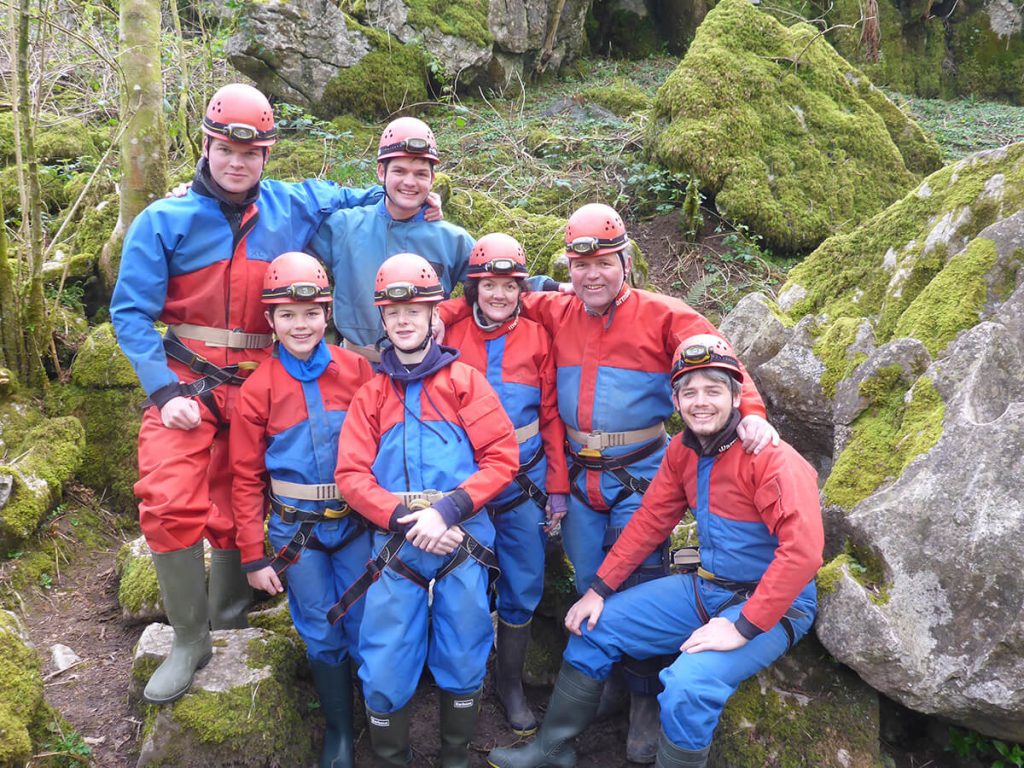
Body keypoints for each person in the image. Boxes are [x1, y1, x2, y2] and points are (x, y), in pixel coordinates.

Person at [438, 203, 779, 761]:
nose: (591, 274)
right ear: (568, 267)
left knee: (641, 584)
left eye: (603, 263)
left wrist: (755, 414)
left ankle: (644, 702)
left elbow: (722, 366)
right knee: (591, 585)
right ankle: (605, 684)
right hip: (576, 478)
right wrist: (438, 314)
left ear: (625, 260)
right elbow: (492, 300)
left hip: (642, 474)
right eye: (580, 264)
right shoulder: (555, 308)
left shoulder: (664, 314)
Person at [110, 83, 386, 705]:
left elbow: (372, 194)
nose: (238, 162)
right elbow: (129, 313)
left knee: (242, 502)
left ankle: (230, 612)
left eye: (252, 152)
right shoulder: (165, 219)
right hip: (189, 381)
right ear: (206, 145)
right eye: (226, 149)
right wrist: (161, 391)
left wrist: (422, 202)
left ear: (267, 155)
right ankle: (189, 639)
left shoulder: (293, 206)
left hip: (265, 386)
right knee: (166, 495)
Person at [487, 333, 824, 768]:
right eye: (690, 392)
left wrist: (742, 628)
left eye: (713, 390)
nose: (701, 402)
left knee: (688, 684)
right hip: (708, 588)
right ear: (675, 400)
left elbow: (803, 553)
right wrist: (599, 591)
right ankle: (553, 750)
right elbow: (649, 522)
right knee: (592, 627)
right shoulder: (683, 451)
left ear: (737, 396)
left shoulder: (772, 459)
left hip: (774, 605)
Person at [333, 253, 520, 767]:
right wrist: (403, 519)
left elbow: (502, 456)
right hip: (397, 540)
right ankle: (392, 757)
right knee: (386, 657)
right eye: (394, 315)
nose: (405, 320)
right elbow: (351, 475)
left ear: (436, 314)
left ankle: (456, 756)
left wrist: (449, 511)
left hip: (463, 536)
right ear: (382, 321)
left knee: (465, 646)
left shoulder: (465, 382)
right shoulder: (372, 395)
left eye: (415, 311)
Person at [229, 251, 374, 768]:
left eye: (311, 313)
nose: (301, 324)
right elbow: (245, 477)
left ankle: (374, 717)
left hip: (357, 525)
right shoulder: (258, 389)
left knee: (364, 621)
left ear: (328, 313)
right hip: (296, 536)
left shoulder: (357, 370)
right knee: (319, 626)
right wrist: (253, 555)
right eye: (287, 315)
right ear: (269, 321)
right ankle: (338, 731)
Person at [442, 232, 570, 736]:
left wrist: (557, 489)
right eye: (488, 285)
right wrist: (446, 313)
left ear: (522, 289)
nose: (499, 295)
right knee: (463, 581)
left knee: (525, 579)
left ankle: (510, 682)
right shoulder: (447, 332)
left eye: (510, 286)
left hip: (526, 478)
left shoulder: (539, 336)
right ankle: (461, 682)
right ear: (472, 287)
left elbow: (552, 416)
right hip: (466, 480)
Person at [307, 117, 474, 362]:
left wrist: (447, 313)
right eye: (399, 171)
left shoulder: (452, 239)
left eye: (420, 174)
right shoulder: (342, 227)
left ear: (432, 180)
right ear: (380, 171)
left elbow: (496, 287)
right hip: (354, 370)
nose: (409, 182)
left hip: (424, 372)